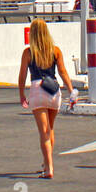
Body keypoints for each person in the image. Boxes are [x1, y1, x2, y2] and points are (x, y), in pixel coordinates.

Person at [18, 18, 76, 178]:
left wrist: (21, 93)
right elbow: (63, 72)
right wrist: (71, 90)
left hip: (37, 90)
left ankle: (49, 168)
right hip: (53, 91)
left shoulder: (28, 52)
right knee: (50, 129)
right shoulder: (55, 50)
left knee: (43, 132)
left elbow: (22, 75)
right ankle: (46, 162)